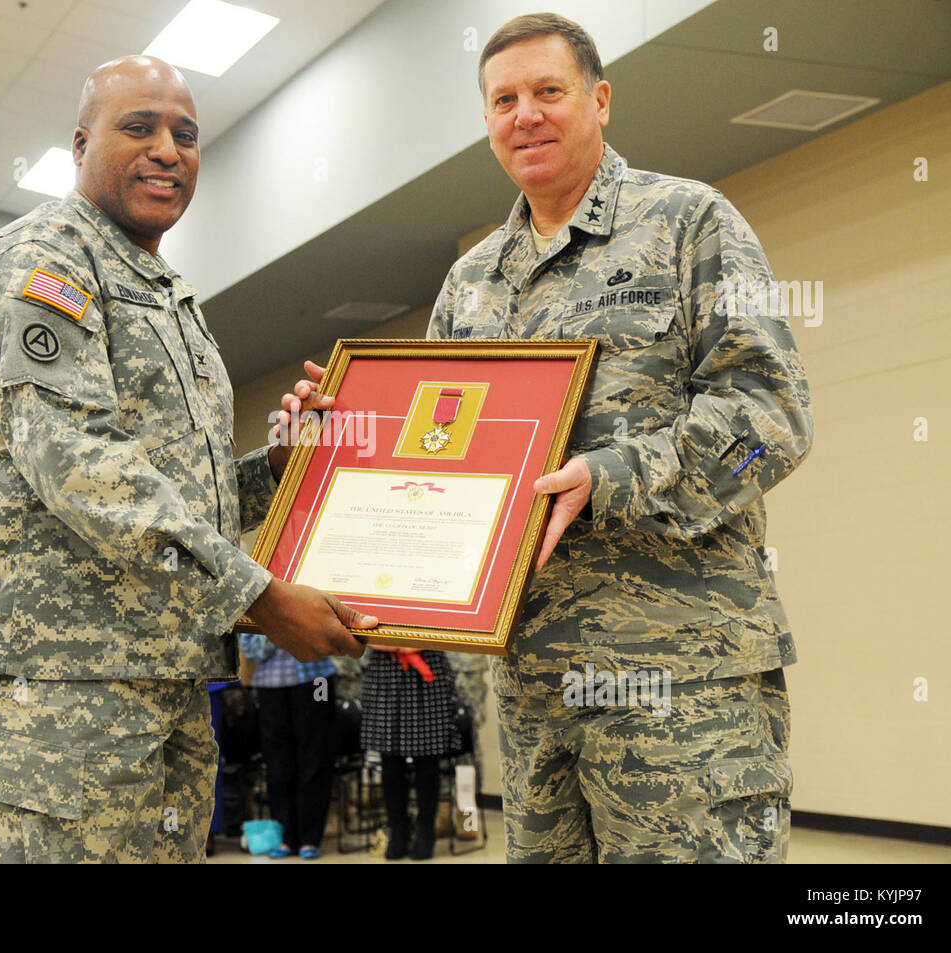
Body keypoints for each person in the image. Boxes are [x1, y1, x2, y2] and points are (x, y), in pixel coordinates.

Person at [283, 13, 813, 864]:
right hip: (531, 687)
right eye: (503, 99)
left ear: (600, 101)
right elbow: (440, 459)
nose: (524, 114)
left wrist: (614, 476)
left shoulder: (691, 223)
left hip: (678, 680)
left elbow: (772, 415)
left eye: (547, 92)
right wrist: (345, 432)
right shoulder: (470, 283)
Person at [0, 54, 374, 864]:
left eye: (187, 134)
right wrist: (261, 596)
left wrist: (274, 468)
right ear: (81, 142)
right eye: (140, 127)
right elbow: (80, 465)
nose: (169, 148)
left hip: (159, 682)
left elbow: (168, 492)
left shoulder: (163, 291)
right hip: (52, 695)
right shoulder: (43, 263)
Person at [240, 631, 336, 860]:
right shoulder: (258, 602)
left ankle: (311, 838)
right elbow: (252, 650)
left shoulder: (313, 595)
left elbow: (325, 638)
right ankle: (286, 837)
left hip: (317, 680)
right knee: (278, 764)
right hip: (270, 686)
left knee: (316, 756)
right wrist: (281, 626)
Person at [360, 645, 459, 861]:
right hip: (385, 669)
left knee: (428, 760)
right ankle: (398, 830)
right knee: (390, 763)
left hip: (428, 664)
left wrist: (415, 643)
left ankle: (425, 832)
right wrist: (392, 643)